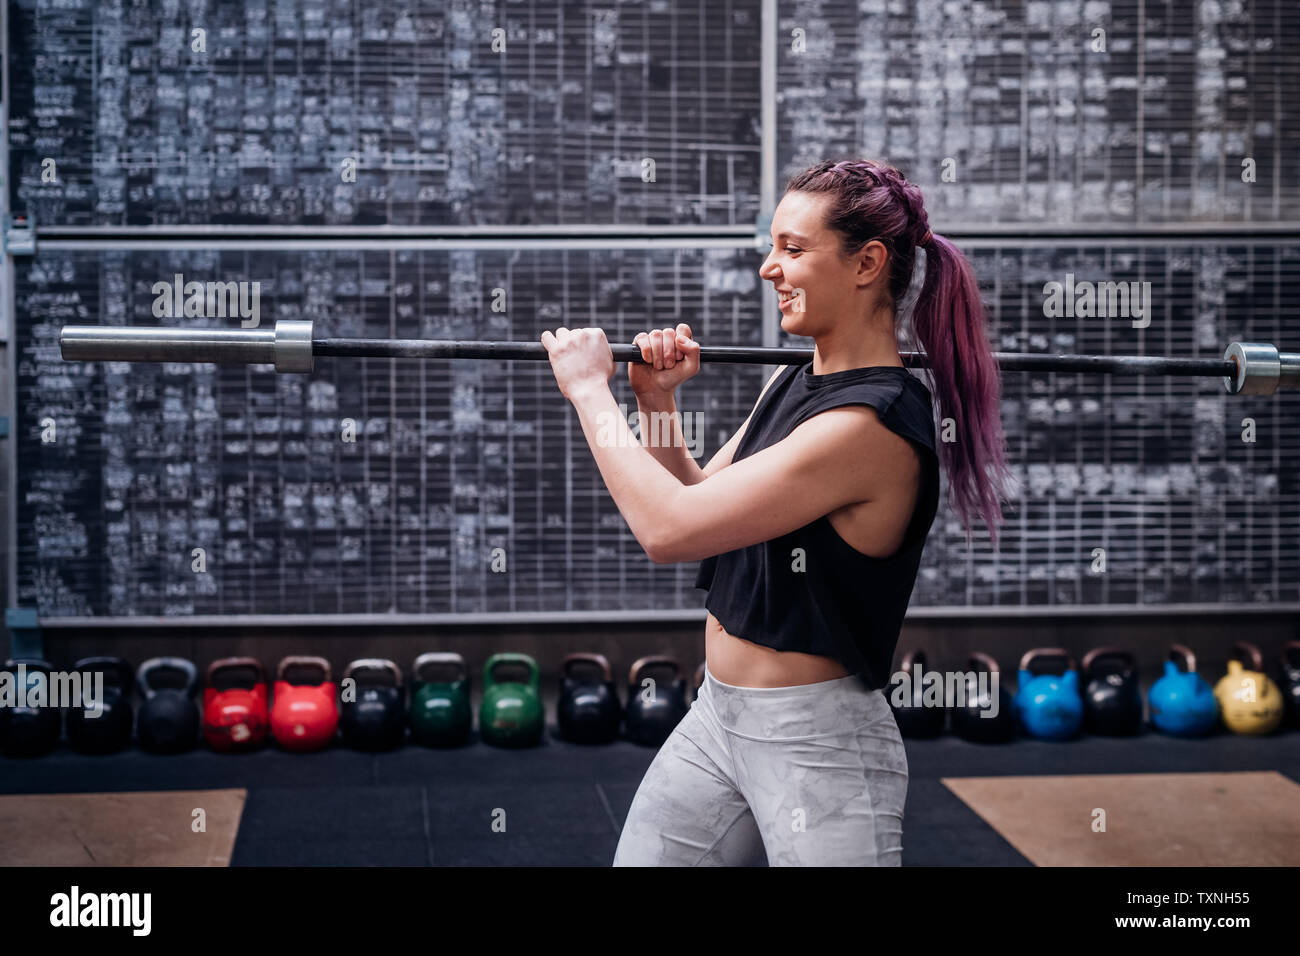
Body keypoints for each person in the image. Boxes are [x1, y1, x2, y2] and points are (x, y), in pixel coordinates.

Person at [540, 158, 1012, 865]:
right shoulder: (797, 379)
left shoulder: (870, 425)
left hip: (820, 744)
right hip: (719, 718)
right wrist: (654, 402)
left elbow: (666, 531)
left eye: (792, 248)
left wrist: (588, 394)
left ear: (867, 263)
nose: (770, 268)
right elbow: (697, 500)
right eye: (773, 246)